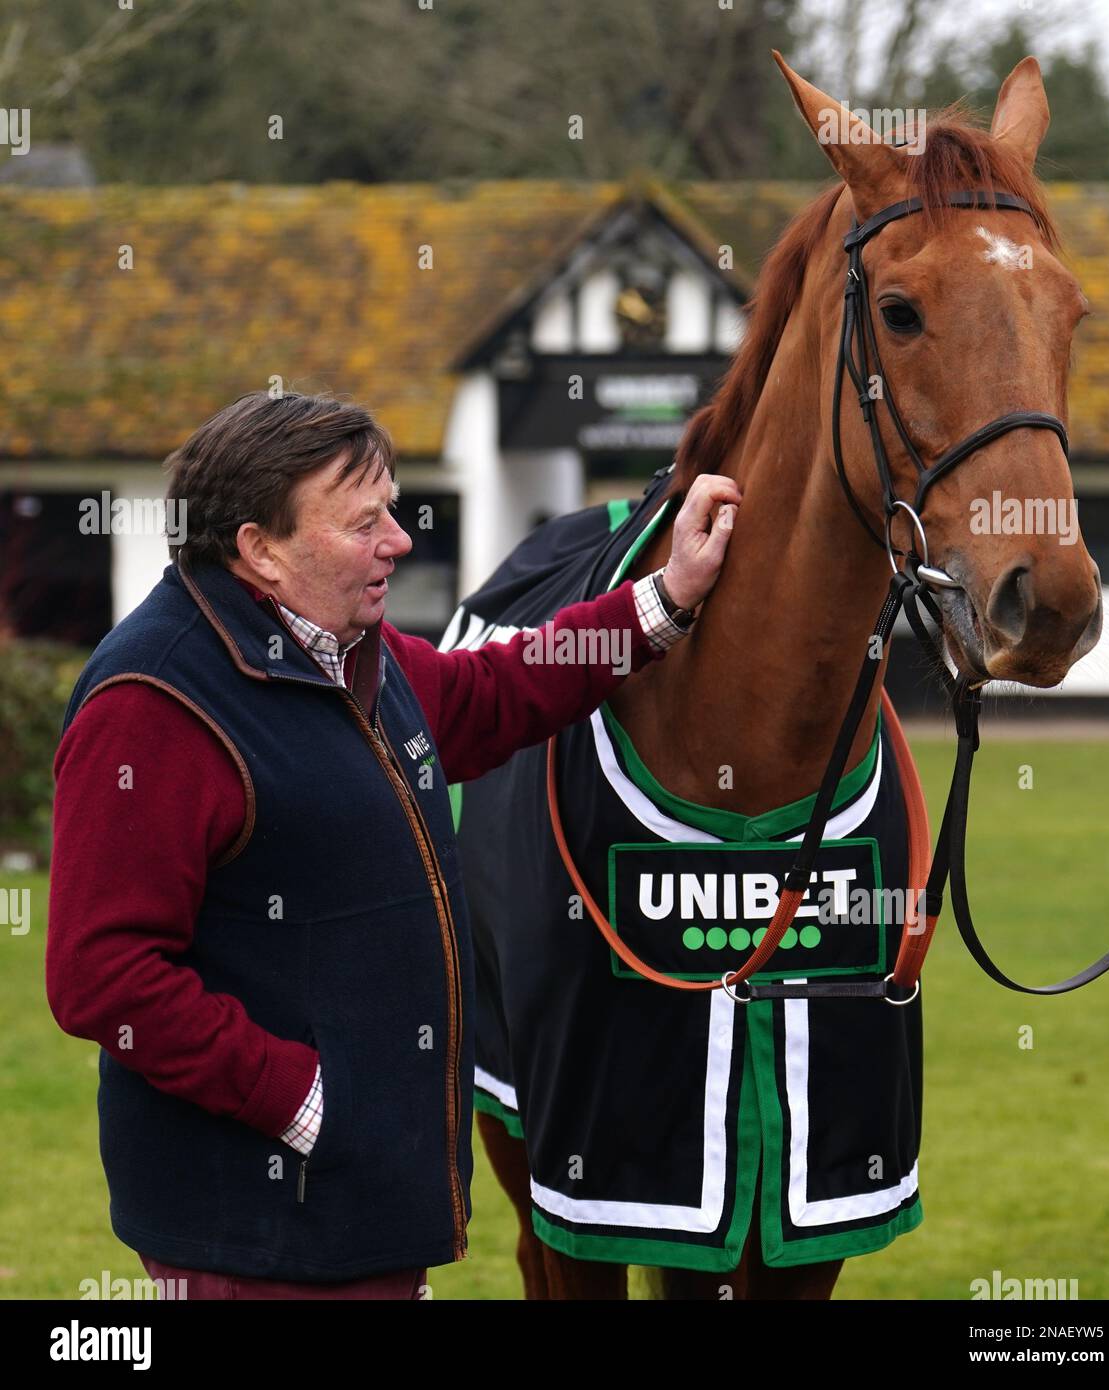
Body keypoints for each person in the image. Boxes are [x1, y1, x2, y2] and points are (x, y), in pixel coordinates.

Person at [45, 390, 740, 1301]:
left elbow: (499, 691)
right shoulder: (153, 701)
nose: (399, 542)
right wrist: (306, 1105)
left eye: (395, 512)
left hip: (359, 1212)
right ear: (260, 548)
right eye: (365, 522)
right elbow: (103, 975)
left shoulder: (349, 649)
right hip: (253, 1239)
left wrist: (668, 596)